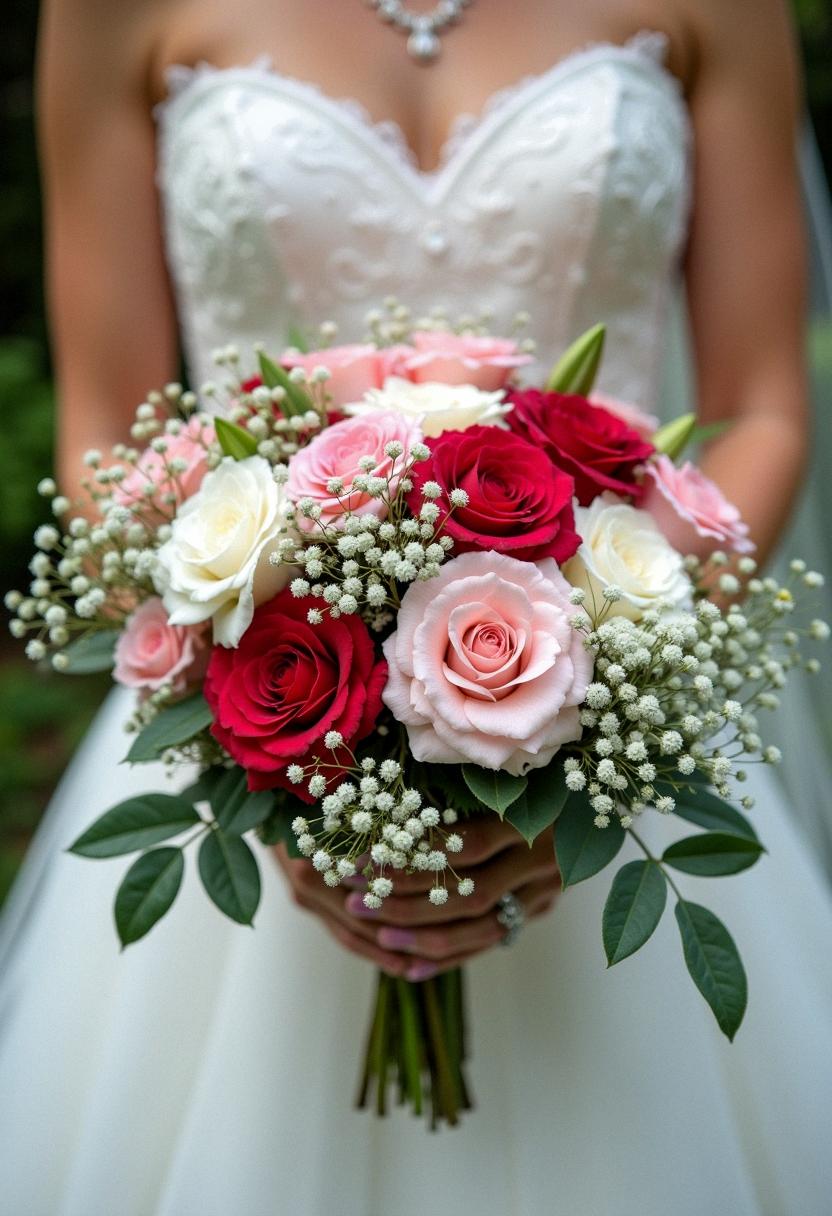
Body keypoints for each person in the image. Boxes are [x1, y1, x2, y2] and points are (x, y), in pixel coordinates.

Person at [1, 1, 830, 1212]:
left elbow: (761, 403)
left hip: (624, 735)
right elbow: (101, 433)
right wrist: (280, 770)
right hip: (250, 706)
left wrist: (597, 724)